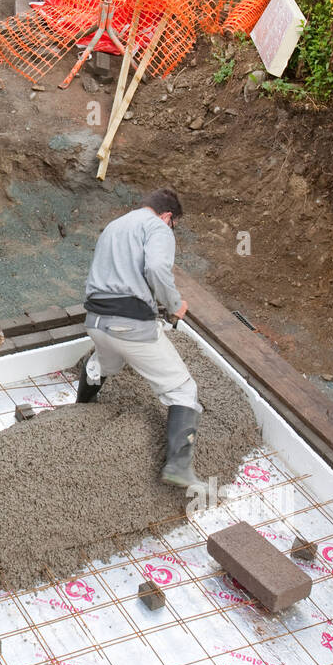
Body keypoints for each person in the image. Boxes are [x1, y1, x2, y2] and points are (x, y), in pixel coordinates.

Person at [76, 187, 202, 488]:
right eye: (173, 224)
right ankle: (178, 467)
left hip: (95, 322)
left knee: (104, 365)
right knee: (182, 388)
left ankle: (81, 409)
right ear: (168, 216)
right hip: (129, 325)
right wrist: (174, 305)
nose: (170, 229)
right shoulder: (158, 227)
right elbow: (157, 267)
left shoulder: (114, 226)